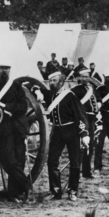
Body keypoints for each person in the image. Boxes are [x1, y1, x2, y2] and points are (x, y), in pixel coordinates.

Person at [33, 71, 89, 201]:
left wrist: (84, 134)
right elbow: (34, 86)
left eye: (54, 81)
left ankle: (73, 191)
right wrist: (37, 92)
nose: (51, 83)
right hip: (57, 132)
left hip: (72, 131)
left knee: (75, 162)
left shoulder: (70, 96)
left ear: (61, 82)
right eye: (50, 81)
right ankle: (55, 192)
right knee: (52, 161)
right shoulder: (50, 95)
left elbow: (80, 115)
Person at [0, 65, 33, 203]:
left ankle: (13, 193)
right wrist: (2, 109)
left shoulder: (17, 87)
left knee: (19, 159)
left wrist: (7, 107)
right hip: (2, 128)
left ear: (10, 70)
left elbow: (23, 106)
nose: (4, 71)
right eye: (1, 68)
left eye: (7, 68)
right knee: (9, 161)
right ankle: (27, 185)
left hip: (18, 128)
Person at [70, 67, 99, 179]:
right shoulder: (76, 90)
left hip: (92, 119)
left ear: (89, 77)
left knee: (90, 146)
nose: (84, 78)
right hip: (82, 118)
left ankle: (87, 172)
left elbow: (97, 99)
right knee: (81, 146)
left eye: (86, 76)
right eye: (82, 76)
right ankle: (77, 171)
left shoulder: (92, 88)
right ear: (79, 77)